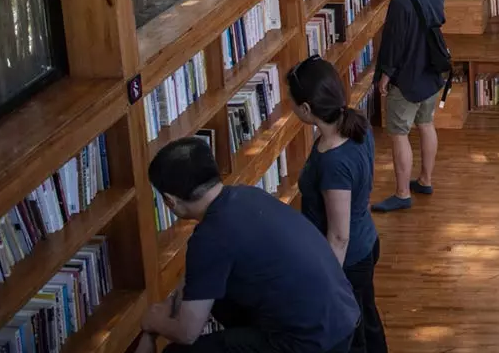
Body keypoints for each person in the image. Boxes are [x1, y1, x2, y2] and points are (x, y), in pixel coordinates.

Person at [138, 138, 359, 353]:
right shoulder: (248, 195)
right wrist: (168, 306)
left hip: (310, 340)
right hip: (342, 316)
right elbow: (195, 279)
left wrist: (153, 323)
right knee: (221, 303)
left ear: (170, 201)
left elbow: (187, 333)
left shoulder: (209, 237)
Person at [287, 58, 387, 353]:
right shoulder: (356, 123)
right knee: (367, 319)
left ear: (306, 109)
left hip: (348, 259)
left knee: (351, 334)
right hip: (366, 241)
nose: (290, 108)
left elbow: (339, 236)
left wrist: (326, 281)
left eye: (291, 102)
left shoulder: (332, 161)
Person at [371, 0, 447, 213]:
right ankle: (425, 179)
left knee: (399, 133)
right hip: (431, 74)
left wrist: (384, 76)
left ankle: (402, 193)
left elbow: (393, 43)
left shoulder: (400, 3)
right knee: (426, 124)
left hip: (407, 78)